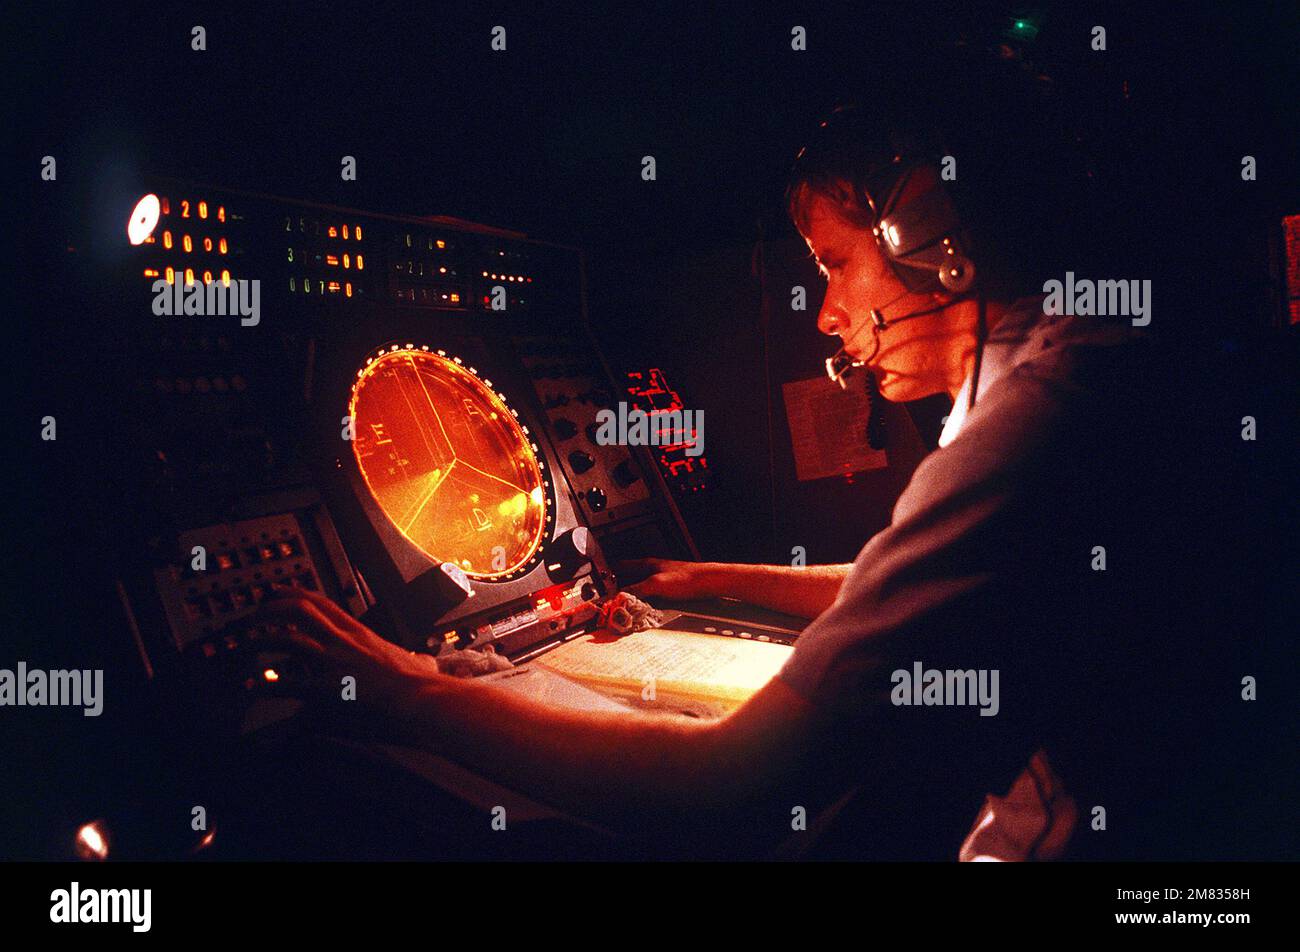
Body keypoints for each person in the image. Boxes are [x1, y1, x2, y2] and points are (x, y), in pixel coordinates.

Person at [261, 64, 1242, 862]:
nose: (823, 313)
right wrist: (708, 576)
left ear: (930, 238)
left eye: (831, 263)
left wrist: (408, 691)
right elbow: (897, 584)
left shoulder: (1034, 425)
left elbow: (722, 786)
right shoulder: (1093, 359)